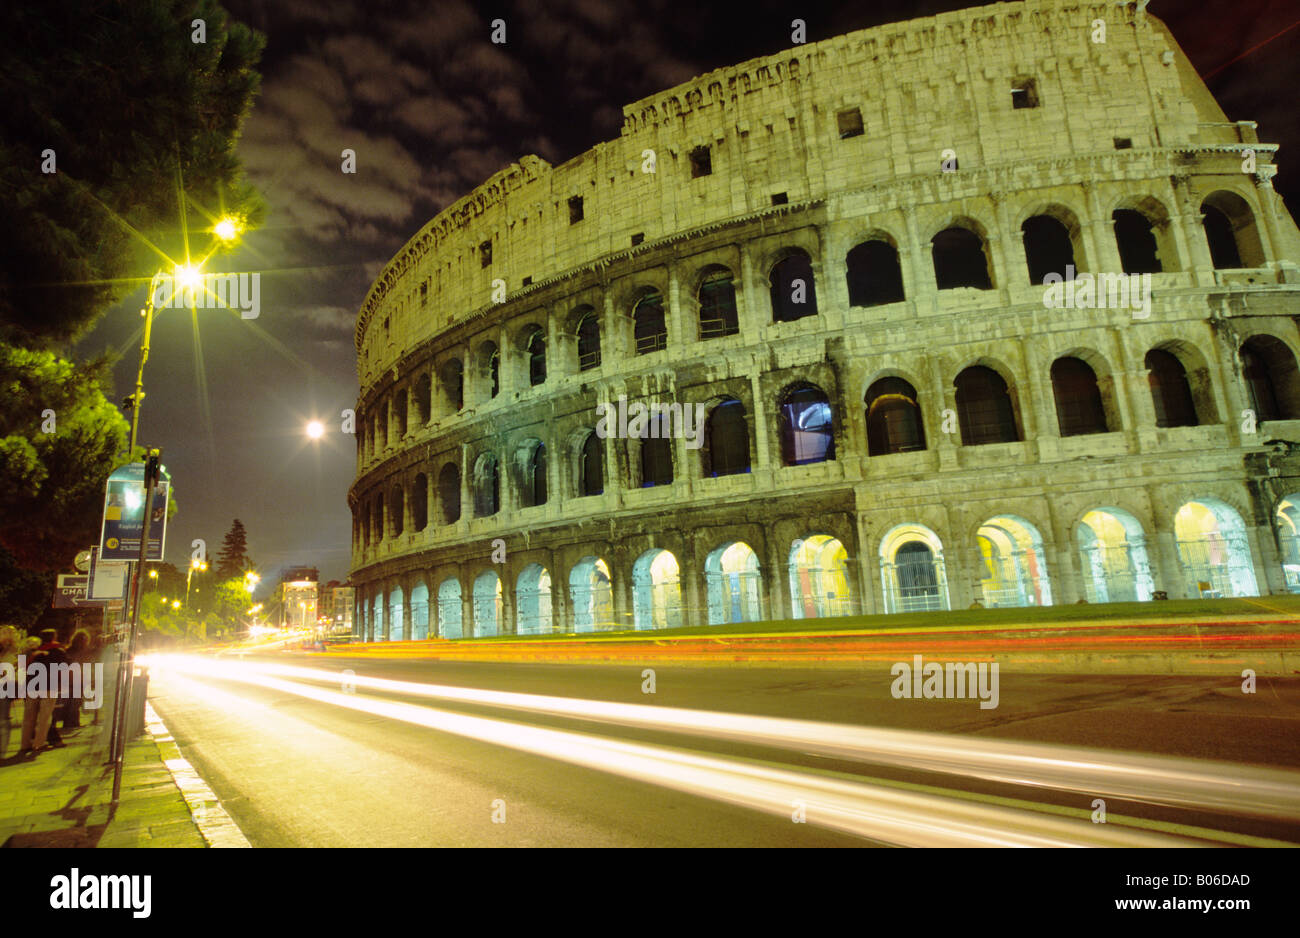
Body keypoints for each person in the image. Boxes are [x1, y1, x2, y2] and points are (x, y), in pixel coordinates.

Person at [17, 629, 67, 757]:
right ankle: (39, 743)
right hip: (49, 687)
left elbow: (23, 667)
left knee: (28, 717)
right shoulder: (59, 651)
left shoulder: (34, 652)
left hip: (32, 686)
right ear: (54, 637)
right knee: (44, 717)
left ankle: (25, 744)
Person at [59, 630, 91, 730]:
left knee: (70, 702)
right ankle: (72, 722)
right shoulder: (81, 652)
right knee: (75, 702)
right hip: (75, 680)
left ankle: (70, 722)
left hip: (68, 680)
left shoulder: (68, 650)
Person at [0, 626, 19, 759]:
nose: (4, 635)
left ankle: (1, 751)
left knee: (3, 719)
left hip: (5, 687)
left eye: (7, 633)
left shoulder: (14, 650)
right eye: (2, 632)